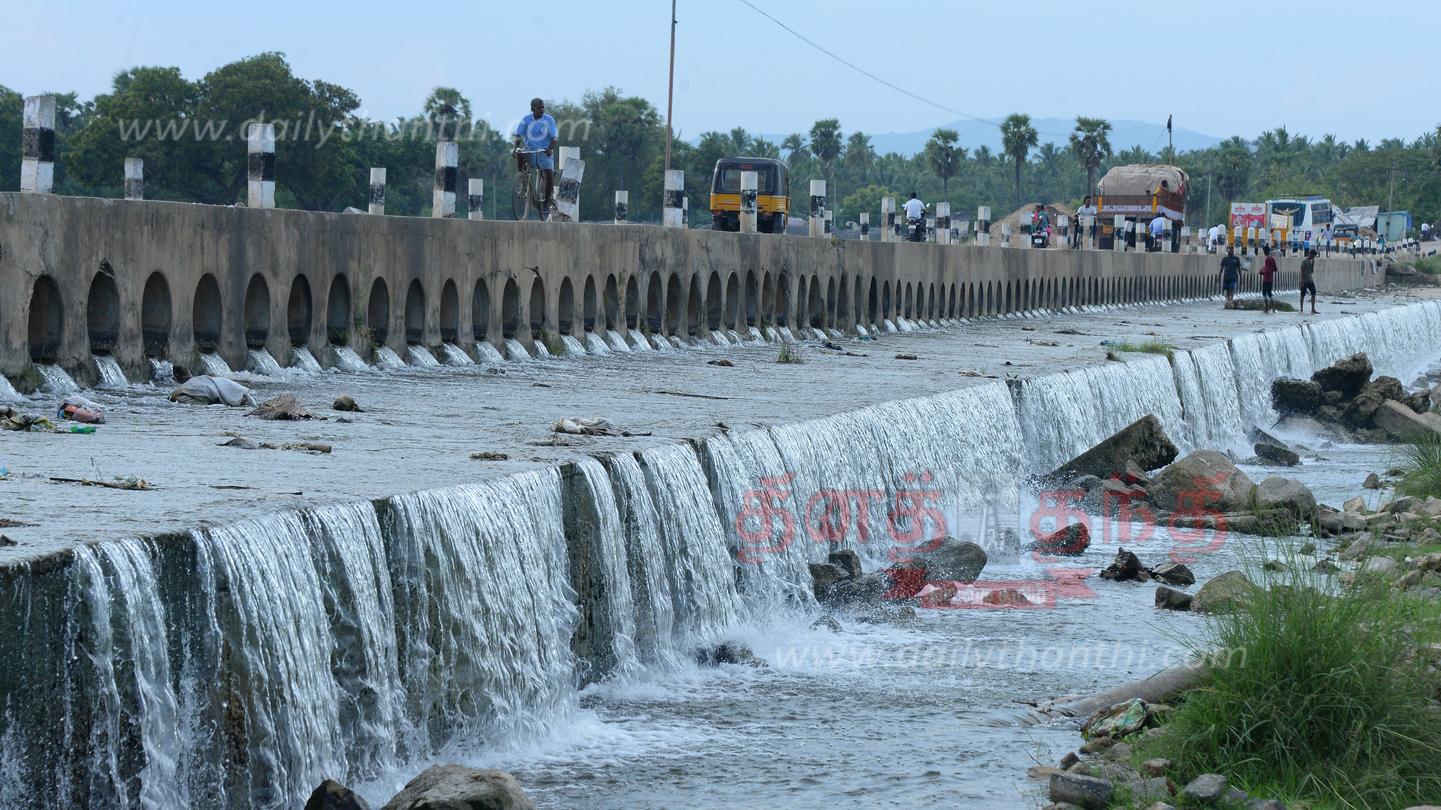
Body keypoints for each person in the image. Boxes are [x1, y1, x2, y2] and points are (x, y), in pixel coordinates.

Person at [513, 97, 558, 215]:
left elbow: (554, 138)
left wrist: (550, 149)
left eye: (543, 107)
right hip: (530, 150)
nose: (542, 110)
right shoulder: (526, 120)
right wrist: (515, 148)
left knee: (548, 174)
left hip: (544, 151)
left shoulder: (549, 120)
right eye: (539, 108)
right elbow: (518, 135)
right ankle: (523, 177)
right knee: (520, 153)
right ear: (533, 109)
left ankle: (546, 203)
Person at [1299, 248, 1319, 315]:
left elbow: (1312, 271)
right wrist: (1301, 281)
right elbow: (1301, 271)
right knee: (1302, 294)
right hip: (1304, 280)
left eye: (1314, 256)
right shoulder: (1304, 262)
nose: (1313, 257)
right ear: (1310, 254)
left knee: (1314, 292)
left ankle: (1313, 309)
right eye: (1313, 255)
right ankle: (1301, 309)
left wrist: (1313, 264)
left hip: (1310, 280)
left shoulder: (1312, 261)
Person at [1259, 246, 1278, 314]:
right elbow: (1275, 269)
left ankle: (1266, 308)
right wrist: (1267, 269)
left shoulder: (1267, 259)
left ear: (1265, 251)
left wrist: (1261, 272)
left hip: (1266, 278)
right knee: (1270, 293)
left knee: (1264, 293)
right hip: (1271, 279)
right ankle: (1273, 308)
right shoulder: (1272, 259)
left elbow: (1266, 270)